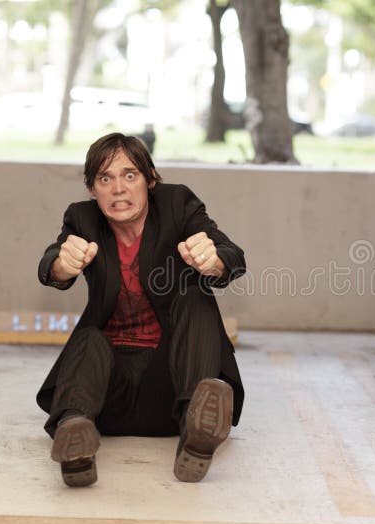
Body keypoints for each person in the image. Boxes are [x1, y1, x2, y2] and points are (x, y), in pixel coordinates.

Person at [35, 132, 246, 486]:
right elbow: (52, 261)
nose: (118, 189)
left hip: (175, 387)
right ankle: (75, 439)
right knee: (89, 339)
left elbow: (233, 256)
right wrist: (61, 265)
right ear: (92, 189)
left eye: (129, 175)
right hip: (107, 394)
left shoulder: (177, 204)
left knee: (196, 296)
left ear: (150, 180)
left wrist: (215, 262)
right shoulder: (82, 219)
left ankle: (197, 434)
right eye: (105, 178)